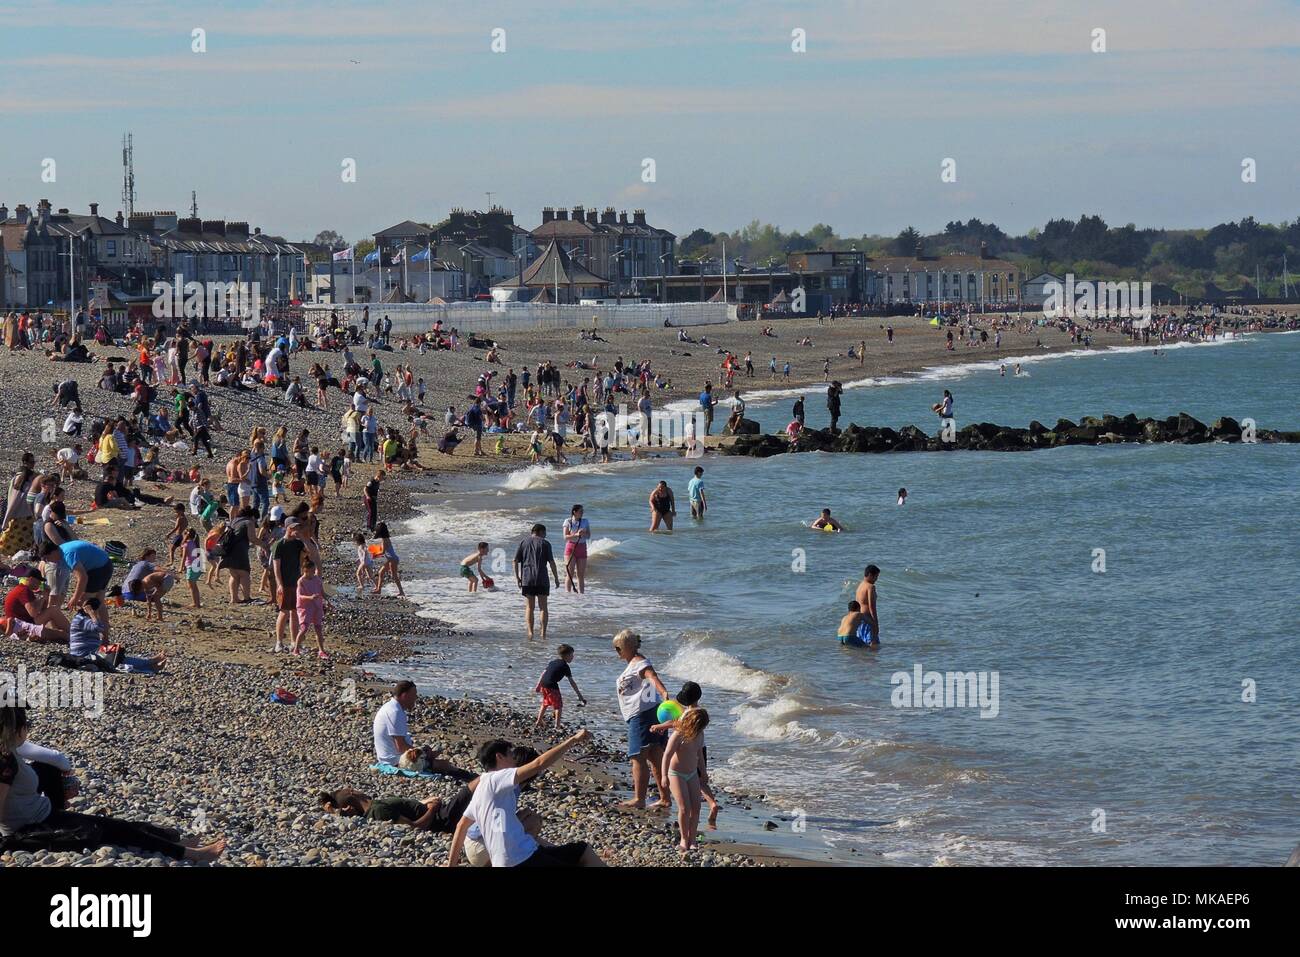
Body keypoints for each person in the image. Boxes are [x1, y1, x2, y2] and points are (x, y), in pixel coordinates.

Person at [1, 705, 224, 861]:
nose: (28, 730)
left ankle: (178, 842)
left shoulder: (10, 752)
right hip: (35, 825)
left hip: (44, 814)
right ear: (14, 729)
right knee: (115, 831)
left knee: (117, 825)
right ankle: (189, 854)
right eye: (25, 725)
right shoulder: (5, 762)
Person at [446, 732, 605, 868]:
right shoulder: (496, 778)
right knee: (581, 853)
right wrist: (573, 740)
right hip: (521, 859)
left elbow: (461, 826)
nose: (515, 761)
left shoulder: (483, 787)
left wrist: (451, 866)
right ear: (499, 757)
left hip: (516, 857)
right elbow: (538, 764)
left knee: (579, 850)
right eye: (510, 755)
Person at [612, 629, 670, 810]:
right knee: (655, 757)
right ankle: (665, 798)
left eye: (618, 648)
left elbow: (652, 676)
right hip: (647, 712)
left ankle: (639, 798)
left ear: (628, 647)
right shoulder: (634, 662)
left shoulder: (639, 662)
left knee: (637, 757)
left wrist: (663, 693)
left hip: (642, 715)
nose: (617, 652)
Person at [371, 682, 473, 779]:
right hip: (396, 761)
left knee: (431, 750)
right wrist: (425, 755)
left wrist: (422, 751)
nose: (416, 698)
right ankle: (471, 778)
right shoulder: (395, 712)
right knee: (444, 764)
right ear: (405, 695)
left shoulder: (390, 707)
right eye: (414, 695)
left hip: (388, 756)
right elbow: (401, 747)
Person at [662, 708, 710, 852]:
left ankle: (693, 838)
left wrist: (704, 771)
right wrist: (664, 776)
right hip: (676, 774)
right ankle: (684, 839)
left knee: (696, 807)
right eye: (700, 727)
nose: (701, 729)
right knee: (684, 808)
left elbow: (699, 754)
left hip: (692, 773)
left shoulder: (699, 735)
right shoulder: (678, 735)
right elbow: (667, 755)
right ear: (692, 724)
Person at [51, 540, 112, 631]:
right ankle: (105, 638)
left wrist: (75, 598)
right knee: (99, 602)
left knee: (86, 604)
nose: (48, 561)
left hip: (98, 569)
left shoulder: (68, 555)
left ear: (52, 552)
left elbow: (83, 578)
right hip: (106, 563)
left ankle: (88, 635)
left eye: (47, 558)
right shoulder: (62, 548)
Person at [513, 524, 559, 640]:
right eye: (545, 532)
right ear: (540, 532)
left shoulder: (523, 542)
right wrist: (556, 578)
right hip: (542, 579)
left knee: (530, 607)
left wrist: (517, 577)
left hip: (527, 579)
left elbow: (515, 560)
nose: (546, 535)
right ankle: (543, 634)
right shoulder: (545, 543)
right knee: (543, 607)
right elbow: (552, 562)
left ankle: (530, 633)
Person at [534, 644, 586, 729]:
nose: (572, 657)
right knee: (558, 706)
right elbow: (572, 682)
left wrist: (538, 685)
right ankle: (557, 726)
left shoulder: (553, 662)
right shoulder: (565, 666)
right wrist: (579, 695)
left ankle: (539, 721)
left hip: (544, 684)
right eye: (571, 655)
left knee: (545, 703)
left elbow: (543, 673)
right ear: (566, 656)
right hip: (552, 686)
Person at [292, 557, 329, 659]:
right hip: (305, 607)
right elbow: (300, 596)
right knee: (304, 628)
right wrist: (310, 597)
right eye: (312, 571)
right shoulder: (301, 581)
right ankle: (296, 649)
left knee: (318, 628)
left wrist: (328, 601)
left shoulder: (316, 579)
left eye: (314, 570)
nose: (314, 572)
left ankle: (321, 650)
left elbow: (322, 591)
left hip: (316, 606)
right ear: (306, 571)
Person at [561, 504, 590, 594]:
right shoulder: (568, 521)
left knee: (580, 575)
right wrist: (576, 534)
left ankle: (581, 595)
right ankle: (567, 594)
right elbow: (565, 537)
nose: (582, 513)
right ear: (575, 512)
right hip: (571, 548)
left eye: (582, 511)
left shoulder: (585, 521)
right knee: (570, 573)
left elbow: (589, 535)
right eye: (580, 511)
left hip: (582, 547)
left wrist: (584, 533)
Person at [372, 522, 403, 597]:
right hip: (390, 559)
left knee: (394, 575)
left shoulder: (385, 540)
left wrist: (375, 555)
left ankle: (401, 592)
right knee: (380, 573)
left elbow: (382, 552)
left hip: (392, 559)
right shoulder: (385, 539)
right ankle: (378, 590)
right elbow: (383, 550)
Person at [853, 564, 881, 646]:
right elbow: (872, 607)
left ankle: (863, 658)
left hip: (859, 618)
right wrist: (876, 624)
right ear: (870, 575)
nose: (876, 579)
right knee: (873, 645)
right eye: (876, 576)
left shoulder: (860, 586)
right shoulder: (870, 587)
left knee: (863, 645)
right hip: (868, 619)